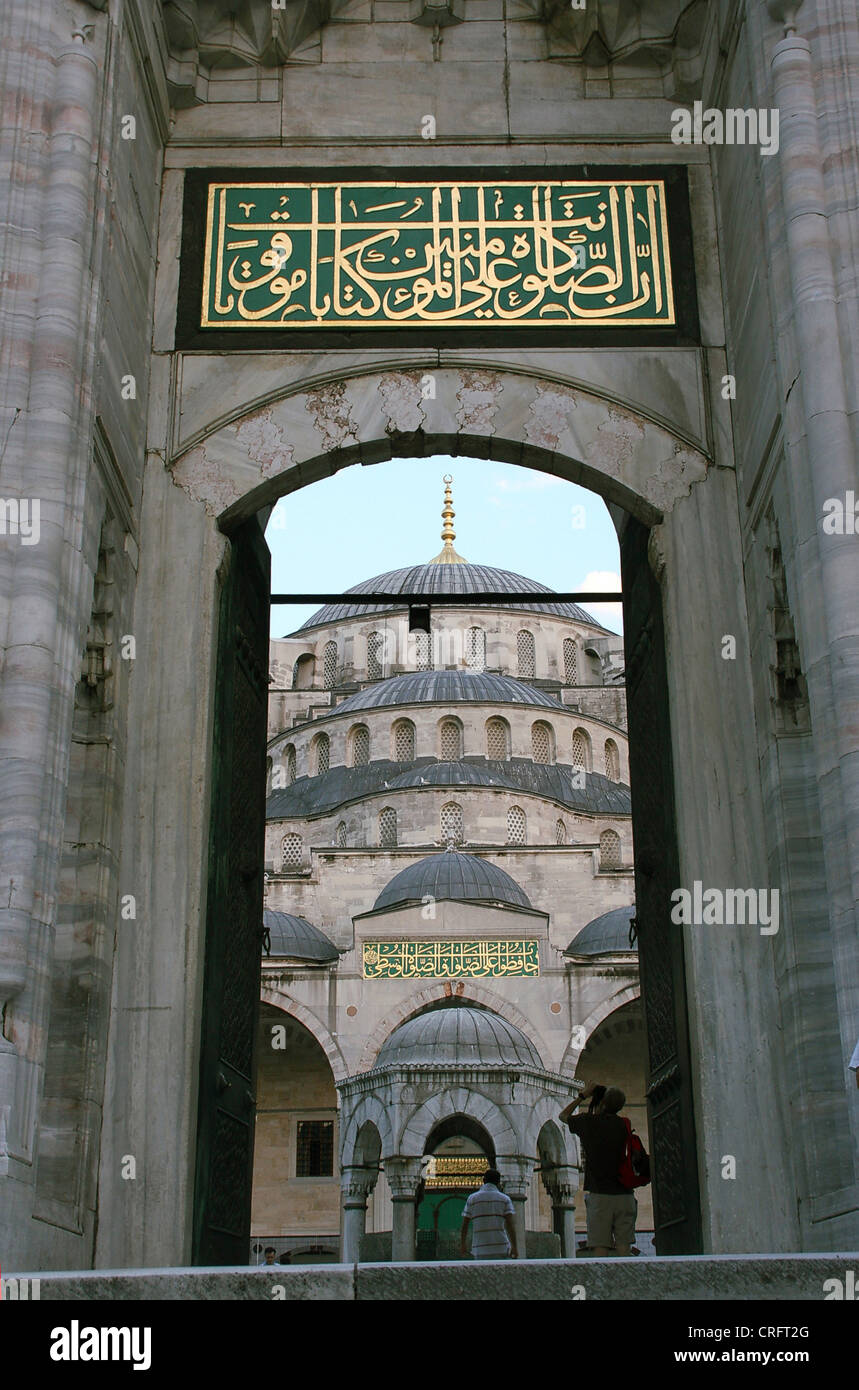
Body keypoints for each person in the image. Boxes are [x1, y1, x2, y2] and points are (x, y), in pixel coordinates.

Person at [559, 1082, 637, 1257]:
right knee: (624, 1247)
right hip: (625, 1193)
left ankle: (603, 1283)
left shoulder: (588, 1123)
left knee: (600, 1246)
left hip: (600, 1194)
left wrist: (582, 1096)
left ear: (602, 1103)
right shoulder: (624, 1124)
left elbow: (563, 1115)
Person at [460, 1168, 518, 1261]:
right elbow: (510, 1225)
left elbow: (465, 1225)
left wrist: (463, 1244)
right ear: (498, 1182)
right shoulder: (505, 1199)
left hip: (480, 1249)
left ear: (484, 1180)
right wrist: (515, 1247)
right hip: (501, 1247)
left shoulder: (472, 1199)